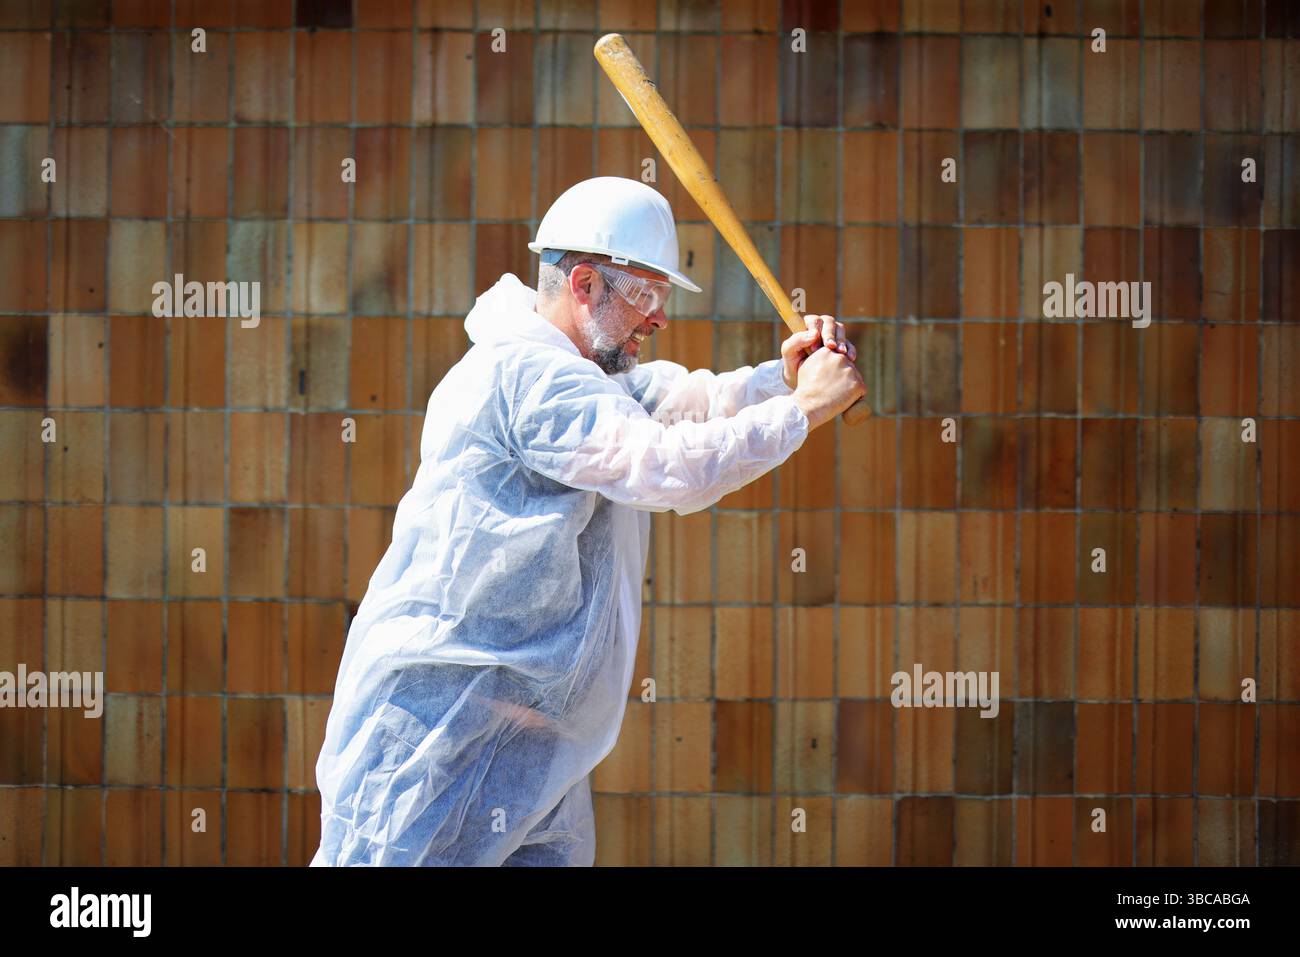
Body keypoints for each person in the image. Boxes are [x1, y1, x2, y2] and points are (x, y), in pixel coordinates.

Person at [311, 177, 865, 866]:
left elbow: (687, 404)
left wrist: (783, 380)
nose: (658, 318)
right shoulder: (526, 377)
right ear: (583, 283)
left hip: (530, 745)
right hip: (433, 739)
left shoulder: (591, 379)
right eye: (646, 295)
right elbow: (663, 463)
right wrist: (802, 410)